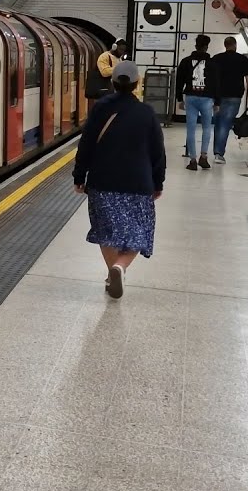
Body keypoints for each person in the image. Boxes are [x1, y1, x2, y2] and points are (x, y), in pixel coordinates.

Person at [73, 60, 165, 299]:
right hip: (138, 183)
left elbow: (86, 145)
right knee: (138, 232)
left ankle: (110, 272)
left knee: (106, 231)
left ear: (112, 82)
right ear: (137, 84)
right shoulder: (146, 113)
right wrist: (158, 183)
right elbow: (158, 152)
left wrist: (79, 175)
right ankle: (119, 267)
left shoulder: (100, 108)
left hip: (102, 182)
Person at [176, 34, 219, 171]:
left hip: (191, 97)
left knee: (191, 129)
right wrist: (217, 102)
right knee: (207, 128)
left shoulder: (185, 61)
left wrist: (179, 99)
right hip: (207, 99)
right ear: (207, 47)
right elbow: (217, 84)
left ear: (195, 46)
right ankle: (204, 157)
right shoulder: (213, 64)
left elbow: (179, 81)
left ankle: (193, 160)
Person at [210, 36, 248, 164]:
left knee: (218, 122)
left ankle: (217, 152)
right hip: (234, 96)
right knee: (225, 123)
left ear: (225, 45)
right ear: (235, 45)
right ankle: (219, 153)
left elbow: (210, 78)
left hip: (217, 96)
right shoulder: (242, 59)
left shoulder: (216, 59)